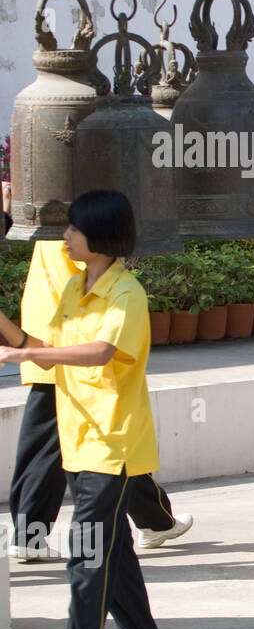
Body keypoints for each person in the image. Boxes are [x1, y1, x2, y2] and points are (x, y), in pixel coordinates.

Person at [0, 190, 168, 629]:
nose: (64, 237)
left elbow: (100, 352)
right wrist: (12, 338)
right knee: (113, 553)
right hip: (78, 439)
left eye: (72, 229)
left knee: (88, 552)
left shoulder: (126, 293)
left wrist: (20, 359)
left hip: (111, 447)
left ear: (98, 237)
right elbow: (44, 349)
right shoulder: (75, 288)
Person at [8, 239, 192, 562]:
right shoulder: (78, 243)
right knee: (101, 454)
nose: (68, 234)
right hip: (67, 353)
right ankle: (31, 536)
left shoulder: (64, 226)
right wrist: (30, 349)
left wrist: (26, 348)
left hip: (57, 349)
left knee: (96, 456)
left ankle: (154, 520)